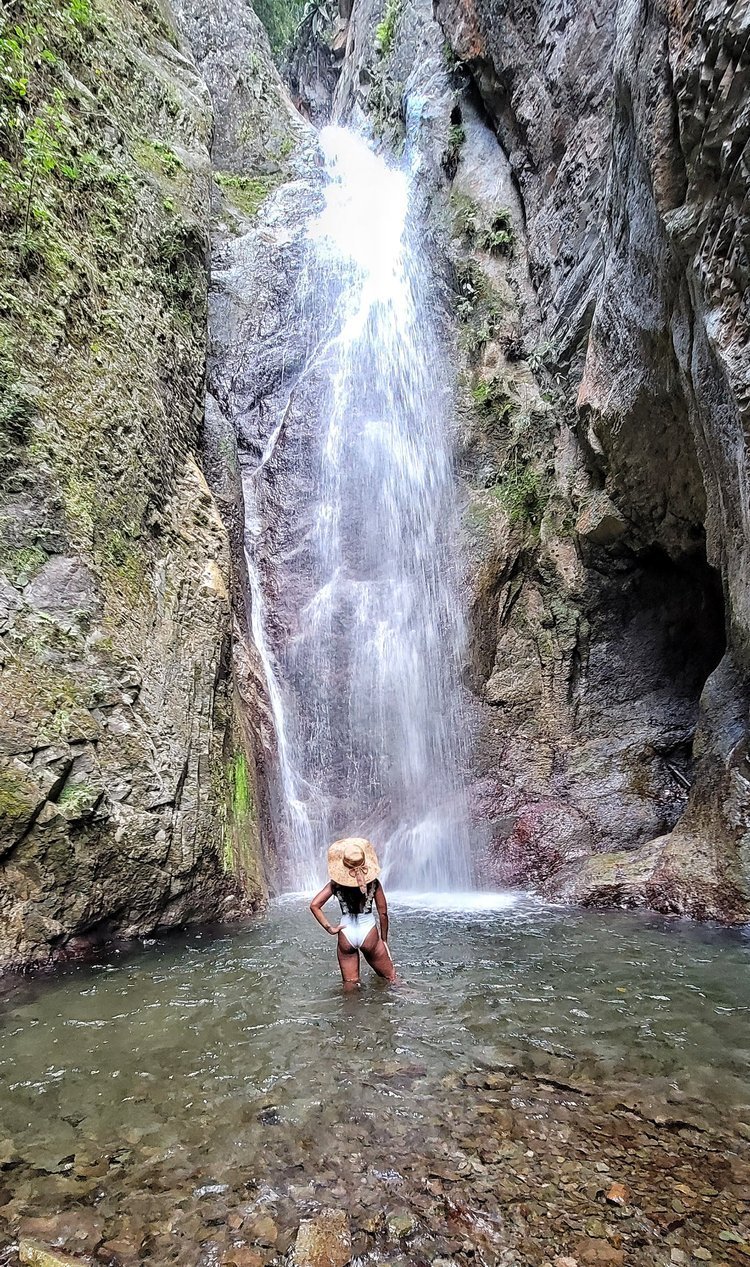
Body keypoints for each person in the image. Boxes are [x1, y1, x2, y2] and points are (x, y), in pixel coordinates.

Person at [310, 837, 398, 988]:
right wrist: (383, 940)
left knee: (350, 986)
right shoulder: (374, 883)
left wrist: (330, 928)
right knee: (391, 979)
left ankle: (351, 1003)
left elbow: (314, 905)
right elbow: (383, 914)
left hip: (346, 933)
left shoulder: (335, 885)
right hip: (369, 933)